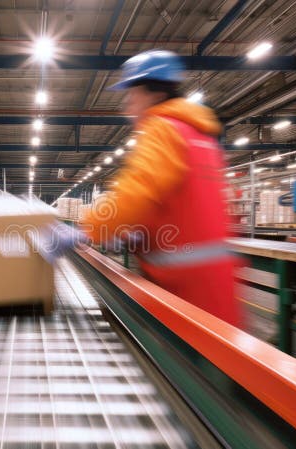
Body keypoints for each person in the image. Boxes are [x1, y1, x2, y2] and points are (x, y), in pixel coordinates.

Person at [81, 49, 244, 328]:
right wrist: (137, 234)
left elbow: (135, 193)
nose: (127, 106)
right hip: (218, 285)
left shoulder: (162, 129)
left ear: (154, 93)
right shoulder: (201, 136)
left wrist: (89, 229)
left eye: (132, 95)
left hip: (182, 288)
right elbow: (183, 204)